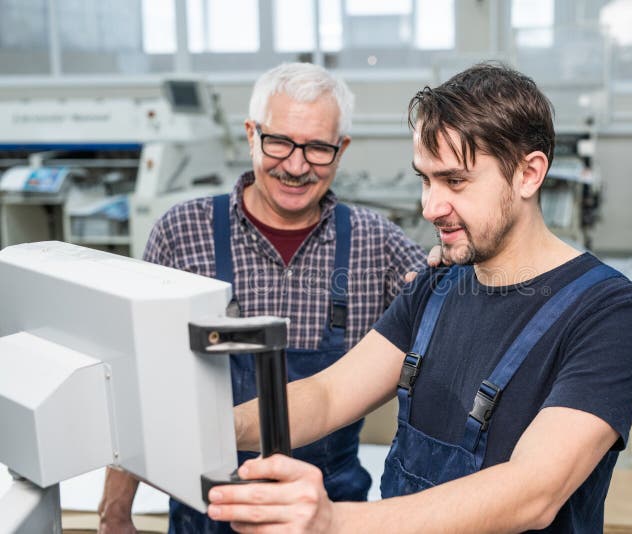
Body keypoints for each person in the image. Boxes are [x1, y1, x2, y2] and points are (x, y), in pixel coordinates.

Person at [209, 62, 632, 533]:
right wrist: (215, 427)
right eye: (426, 180)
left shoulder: (610, 315)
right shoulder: (438, 285)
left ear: (528, 174)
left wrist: (332, 522)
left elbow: (533, 491)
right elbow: (326, 396)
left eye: (455, 182)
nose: (430, 207)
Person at [97, 62, 428, 533]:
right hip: (206, 510)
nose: (296, 166)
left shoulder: (375, 243)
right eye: (280, 142)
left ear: (342, 149)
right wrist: (115, 513)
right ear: (251, 133)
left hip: (329, 510)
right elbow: (137, 373)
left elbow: (448, 315)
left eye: (317, 148)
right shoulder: (181, 234)